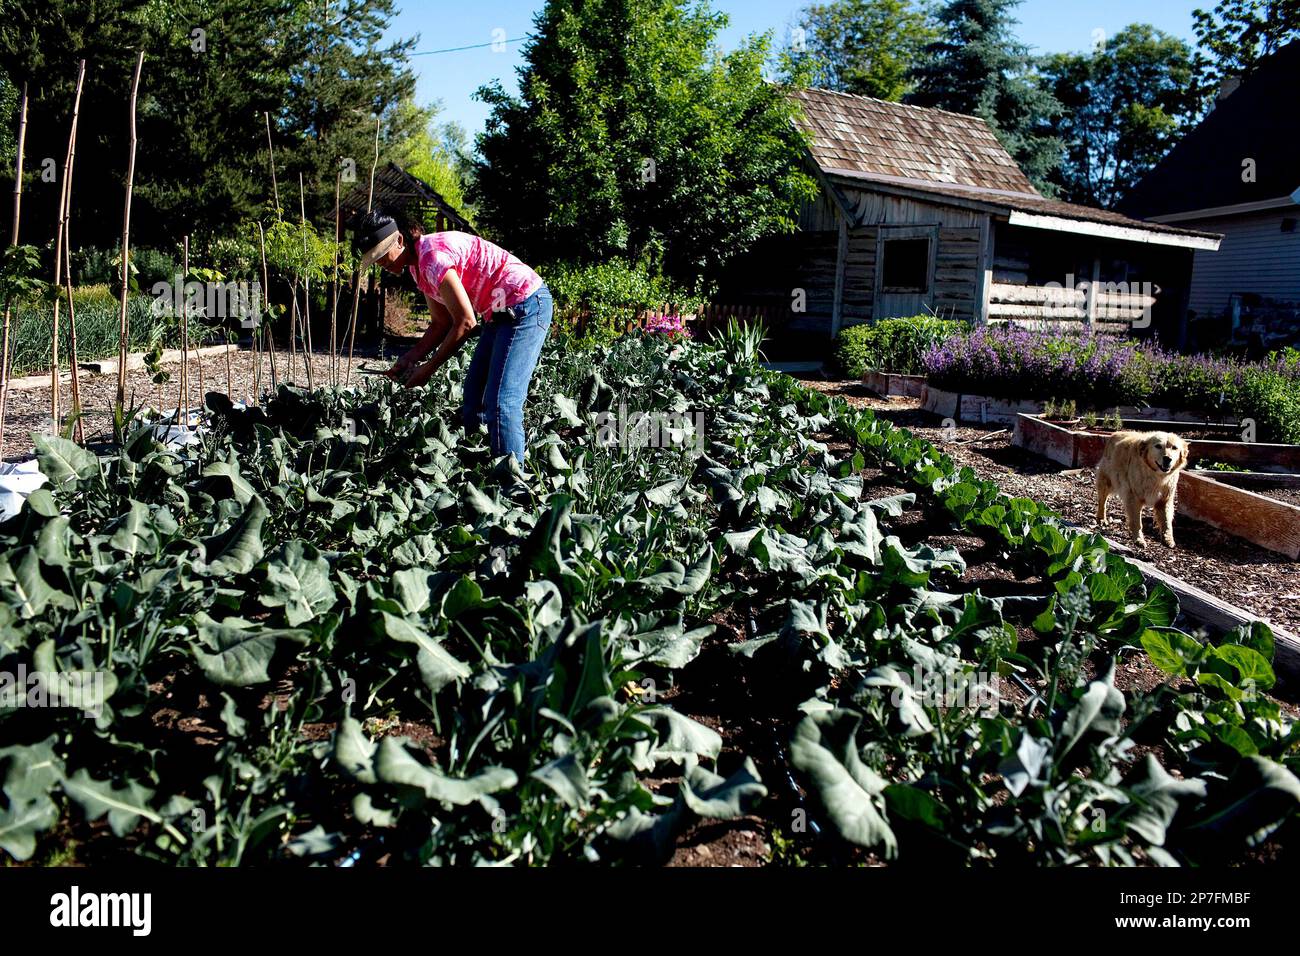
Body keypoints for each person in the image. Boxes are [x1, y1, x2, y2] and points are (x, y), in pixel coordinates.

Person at [351, 209, 553, 464]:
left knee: (503, 402)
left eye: (381, 256)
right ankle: (480, 471)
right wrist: (410, 358)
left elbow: (466, 323)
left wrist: (429, 368)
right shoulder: (417, 268)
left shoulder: (433, 259)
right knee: (474, 398)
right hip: (499, 312)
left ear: (399, 241)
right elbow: (441, 323)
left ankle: (512, 488)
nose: (381, 264)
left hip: (526, 303)